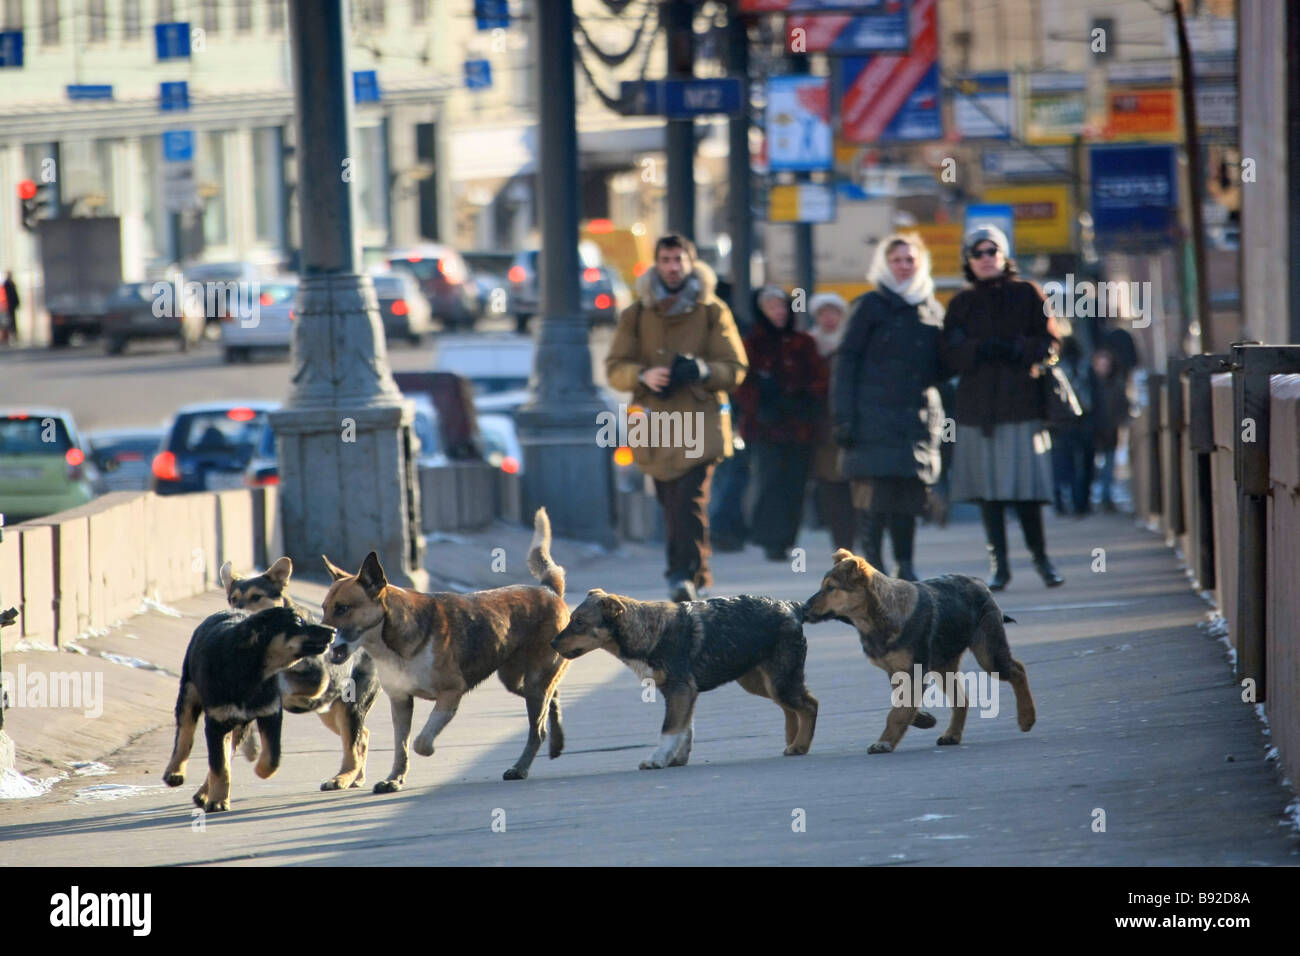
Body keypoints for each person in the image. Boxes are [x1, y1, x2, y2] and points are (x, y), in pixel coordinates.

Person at [606, 233, 748, 602]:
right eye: (665, 260)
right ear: (656, 264)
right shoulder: (635, 314)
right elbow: (614, 368)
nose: (672, 267)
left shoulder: (712, 310)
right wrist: (643, 375)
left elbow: (735, 368)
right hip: (653, 426)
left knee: (689, 500)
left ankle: (680, 576)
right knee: (670, 504)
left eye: (678, 260)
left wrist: (701, 370)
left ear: (690, 263)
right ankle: (697, 576)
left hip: (700, 424)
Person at [941, 224, 1064, 590]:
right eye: (977, 253)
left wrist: (1015, 348)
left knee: (1026, 491)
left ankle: (1042, 561)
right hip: (977, 410)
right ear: (968, 260)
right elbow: (947, 354)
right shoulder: (961, 303)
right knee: (988, 494)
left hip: (1021, 405)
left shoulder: (1027, 293)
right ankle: (1000, 566)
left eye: (991, 251)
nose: (985, 258)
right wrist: (976, 349)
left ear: (1004, 255)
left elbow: (1051, 343)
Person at [832, 235, 945, 581]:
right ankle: (874, 570)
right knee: (874, 502)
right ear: (885, 264)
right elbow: (845, 363)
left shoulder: (932, 308)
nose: (903, 265)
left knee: (909, 500)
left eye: (910, 259)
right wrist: (844, 419)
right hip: (871, 419)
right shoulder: (869, 306)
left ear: (920, 263)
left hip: (916, 419)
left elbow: (943, 367)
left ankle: (906, 567)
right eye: (896, 259)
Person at [733, 286, 828, 562]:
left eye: (782, 306)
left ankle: (787, 537)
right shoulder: (751, 344)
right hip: (765, 428)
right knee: (770, 481)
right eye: (771, 307)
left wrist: (805, 399)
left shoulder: (803, 343)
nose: (778, 312)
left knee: (796, 484)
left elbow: (819, 379)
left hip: (800, 427)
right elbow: (741, 383)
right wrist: (760, 404)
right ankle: (770, 538)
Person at [807, 292, 855, 552]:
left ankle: (856, 540)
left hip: (850, 425)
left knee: (855, 487)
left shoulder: (852, 343)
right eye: (823, 313)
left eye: (834, 312)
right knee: (831, 488)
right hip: (823, 428)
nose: (829, 318)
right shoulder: (809, 345)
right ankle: (842, 543)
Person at [1091, 347, 1131, 512]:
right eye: (1100, 365)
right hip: (1094, 431)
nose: (1103, 368)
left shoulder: (1117, 384)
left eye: (1106, 365)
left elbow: (1123, 407)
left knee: (1108, 467)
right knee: (1092, 466)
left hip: (1111, 431)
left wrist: (1119, 422)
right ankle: (1094, 498)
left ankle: (1106, 498)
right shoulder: (1091, 385)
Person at [1, 271, 18, 346]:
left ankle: (13, 336)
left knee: (12, 322)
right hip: (5, 307)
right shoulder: (5, 285)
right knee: (5, 322)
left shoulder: (12, 284)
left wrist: (17, 303)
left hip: (11, 306)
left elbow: (15, 295)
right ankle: (5, 338)